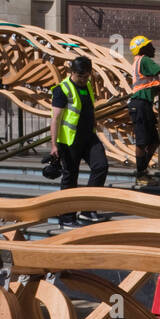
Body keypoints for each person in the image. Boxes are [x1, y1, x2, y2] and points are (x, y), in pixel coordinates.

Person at [48, 56, 108, 226]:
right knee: (70, 177)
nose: (83, 79)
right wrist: (54, 145)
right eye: (80, 76)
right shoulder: (62, 89)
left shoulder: (87, 86)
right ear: (72, 72)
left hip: (88, 137)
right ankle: (67, 217)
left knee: (101, 166)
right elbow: (56, 119)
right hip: (69, 141)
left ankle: (88, 209)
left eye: (86, 76)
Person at [128, 35, 160, 187]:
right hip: (140, 105)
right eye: (150, 45)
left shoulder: (139, 62)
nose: (154, 48)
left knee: (154, 141)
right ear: (142, 49)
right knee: (142, 142)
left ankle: (142, 171)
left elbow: (148, 85)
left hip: (144, 105)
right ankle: (140, 174)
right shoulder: (144, 60)